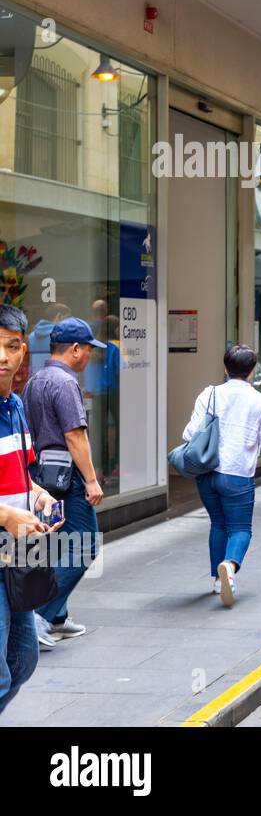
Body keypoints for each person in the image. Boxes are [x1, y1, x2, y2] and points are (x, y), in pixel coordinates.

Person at [22, 317, 106, 649]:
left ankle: (57, 616)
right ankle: (40, 616)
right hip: (68, 478)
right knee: (86, 545)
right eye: (87, 349)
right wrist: (91, 480)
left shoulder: (34, 380)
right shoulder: (66, 383)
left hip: (43, 476)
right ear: (74, 349)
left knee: (56, 544)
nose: (89, 356)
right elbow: (74, 435)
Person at [183, 345, 261, 607]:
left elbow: (189, 434)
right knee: (240, 528)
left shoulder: (209, 395)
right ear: (252, 372)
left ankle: (218, 582)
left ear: (225, 368)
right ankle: (229, 566)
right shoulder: (260, 401)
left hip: (207, 472)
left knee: (218, 524)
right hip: (238, 474)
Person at [0, 304, 58, 713]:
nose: (3, 356)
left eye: (12, 346)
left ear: (24, 352)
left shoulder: (16, 406)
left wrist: (37, 495)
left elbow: (22, 471)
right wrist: (6, 516)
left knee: (23, 659)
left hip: (17, 556)